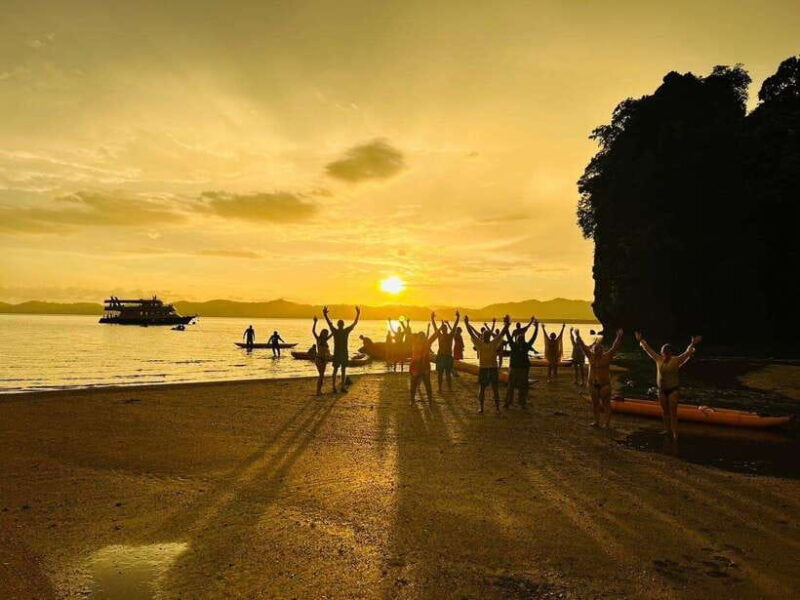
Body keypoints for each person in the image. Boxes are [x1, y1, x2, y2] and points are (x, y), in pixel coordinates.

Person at [635, 332, 702, 440]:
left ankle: (675, 432)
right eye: (663, 352)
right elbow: (648, 349)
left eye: (666, 353)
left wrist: (693, 343)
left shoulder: (676, 360)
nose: (664, 355)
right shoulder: (658, 359)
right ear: (661, 353)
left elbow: (687, 353)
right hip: (661, 390)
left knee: (673, 412)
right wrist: (641, 340)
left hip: (673, 390)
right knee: (665, 412)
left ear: (670, 353)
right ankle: (667, 430)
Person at [574, 328, 624, 428]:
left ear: (602, 350)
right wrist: (578, 336)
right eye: (596, 349)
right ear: (593, 350)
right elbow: (583, 346)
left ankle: (606, 423)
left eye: (600, 349)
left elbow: (614, 347)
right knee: (595, 404)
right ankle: (597, 422)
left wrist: (618, 337)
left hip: (605, 385)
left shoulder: (607, 357)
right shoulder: (590, 356)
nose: (598, 351)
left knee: (606, 404)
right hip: (592, 385)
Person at [464, 315, 510, 414]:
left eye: (486, 335)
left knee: (492, 389)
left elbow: (502, 333)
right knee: (486, 389)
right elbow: (471, 333)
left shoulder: (488, 343)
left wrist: (466, 323)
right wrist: (466, 323)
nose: (484, 337)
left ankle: (494, 408)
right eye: (485, 335)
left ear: (487, 337)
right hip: (486, 368)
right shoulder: (485, 344)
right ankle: (483, 407)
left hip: (489, 368)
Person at [323, 305, 360, 392]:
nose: (340, 325)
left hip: (339, 353)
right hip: (342, 353)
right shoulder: (345, 331)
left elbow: (329, 323)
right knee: (342, 370)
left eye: (340, 324)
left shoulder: (336, 331)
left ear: (339, 325)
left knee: (337, 370)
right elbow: (355, 323)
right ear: (342, 325)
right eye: (341, 324)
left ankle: (335, 387)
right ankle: (340, 387)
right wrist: (358, 313)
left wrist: (325, 315)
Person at [505, 317, 538, 409]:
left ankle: (520, 403)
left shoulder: (521, 346)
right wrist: (506, 325)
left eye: (520, 339)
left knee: (520, 386)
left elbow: (533, 338)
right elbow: (508, 335)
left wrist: (506, 325)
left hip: (520, 368)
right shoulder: (517, 345)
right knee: (513, 386)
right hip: (517, 368)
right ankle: (511, 402)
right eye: (519, 339)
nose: (519, 340)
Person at [430, 311, 460, 392]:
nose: (444, 330)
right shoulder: (441, 335)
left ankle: (448, 388)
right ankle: (441, 388)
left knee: (447, 374)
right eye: (443, 328)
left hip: (446, 357)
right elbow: (435, 327)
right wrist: (432, 318)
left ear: (445, 329)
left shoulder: (449, 336)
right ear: (443, 330)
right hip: (442, 356)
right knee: (441, 374)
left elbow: (454, 327)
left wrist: (458, 318)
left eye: (444, 328)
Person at [409, 326, 437, 404]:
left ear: (424, 338)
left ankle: (430, 400)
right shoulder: (414, 343)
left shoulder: (427, 344)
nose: (421, 338)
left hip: (425, 367)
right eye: (420, 337)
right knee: (413, 384)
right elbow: (408, 332)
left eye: (422, 337)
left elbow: (434, 336)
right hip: (415, 367)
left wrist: (438, 327)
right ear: (417, 337)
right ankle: (412, 400)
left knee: (427, 384)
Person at [311, 316, 331, 395]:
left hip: (324, 360)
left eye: (326, 333)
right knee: (321, 375)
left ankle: (319, 391)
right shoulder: (318, 339)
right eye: (324, 333)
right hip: (319, 359)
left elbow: (333, 333)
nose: (325, 334)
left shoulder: (326, 340)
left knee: (322, 376)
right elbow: (313, 331)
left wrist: (330, 324)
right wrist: (315, 323)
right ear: (322, 333)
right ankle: (318, 391)